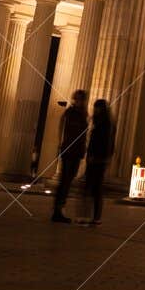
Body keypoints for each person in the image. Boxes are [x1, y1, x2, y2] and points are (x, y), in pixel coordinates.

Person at [50, 89, 89, 223]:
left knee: (68, 180)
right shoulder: (71, 113)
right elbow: (64, 131)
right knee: (65, 181)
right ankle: (58, 210)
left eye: (82, 99)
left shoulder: (82, 114)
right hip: (69, 151)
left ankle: (59, 209)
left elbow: (82, 135)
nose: (80, 101)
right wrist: (61, 147)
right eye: (77, 99)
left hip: (76, 151)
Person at [81, 98, 115, 226]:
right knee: (91, 187)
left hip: (99, 159)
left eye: (97, 107)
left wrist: (103, 157)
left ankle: (95, 217)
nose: (94, 110)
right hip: (94, 158)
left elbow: (106, 143)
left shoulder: (106, 124)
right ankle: (89, 216)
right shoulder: (98, 122)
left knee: (96, 189)